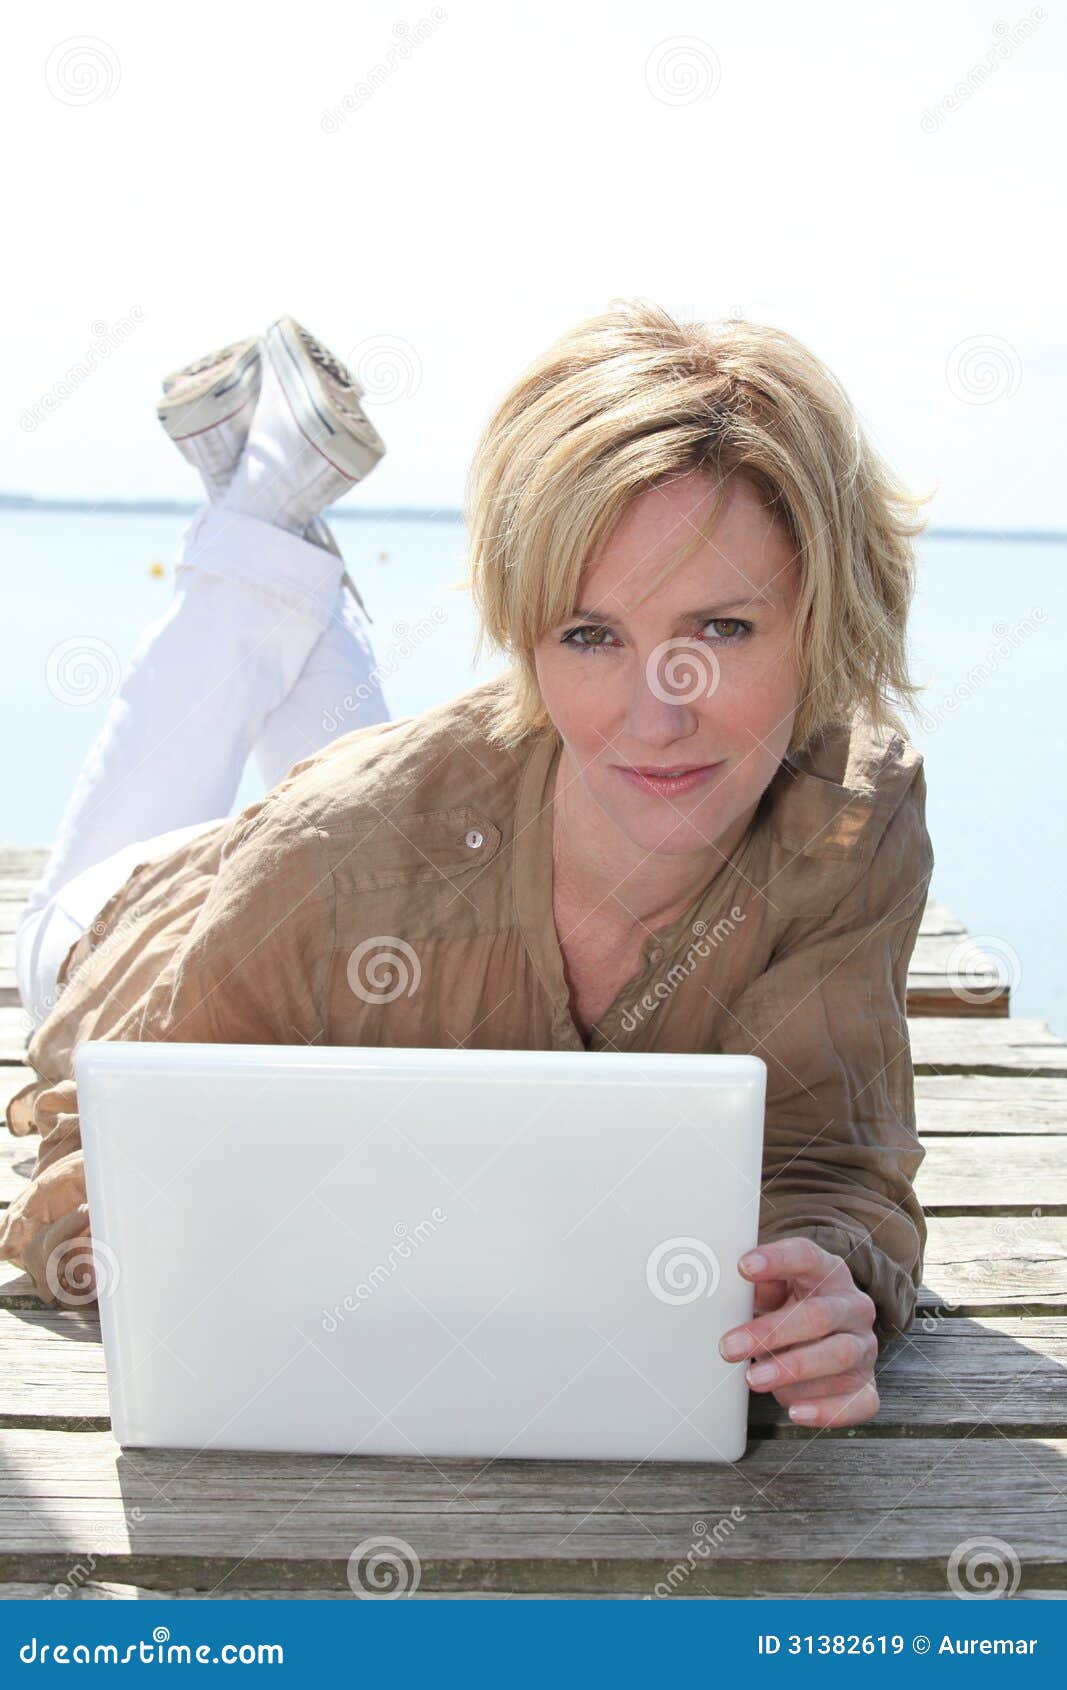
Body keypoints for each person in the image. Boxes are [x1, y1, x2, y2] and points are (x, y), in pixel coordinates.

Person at [1, 299, 935, 1435]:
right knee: (272, 732)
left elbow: (826, 1161)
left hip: (408, 852)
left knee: (394, 830)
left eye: (721, 630)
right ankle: (259, 506)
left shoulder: (844, 818)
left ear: (826, 618)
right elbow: (97, 1171)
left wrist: (822, 1280)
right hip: (132, 926)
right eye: (589, 635)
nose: (658, 714)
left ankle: (282, 516)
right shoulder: (328, 854)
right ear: (529, 641)